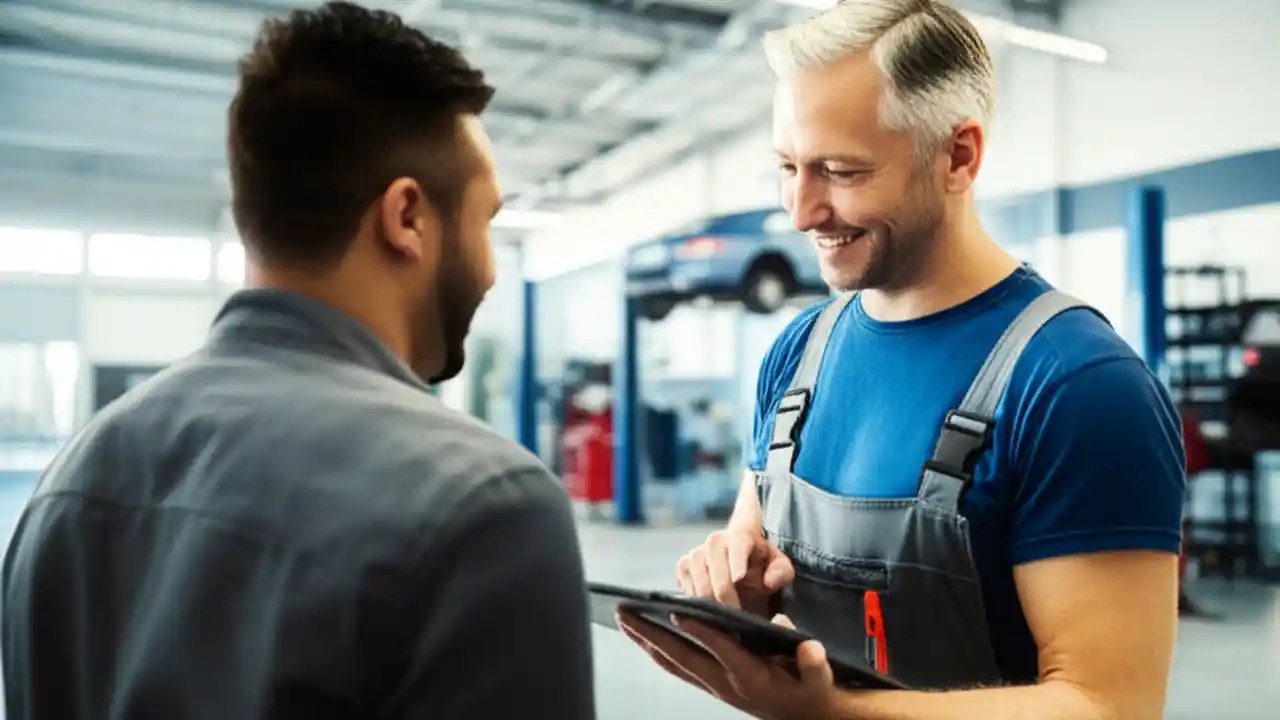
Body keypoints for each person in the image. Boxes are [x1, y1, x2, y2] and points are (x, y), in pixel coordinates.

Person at [1, 3, 593, 719]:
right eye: (486, 222)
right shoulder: (486, 509)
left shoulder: (72, 481)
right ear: (407, 216)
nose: (494, 271)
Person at [617, 1, 1185, 718]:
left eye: (841, 171)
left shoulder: (1078, 387)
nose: (801, 211)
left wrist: (836, 715)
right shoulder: (799, 355)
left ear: (958, 155)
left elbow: (1110, 705)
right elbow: (752, 529)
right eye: (788, 167)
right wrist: (740, 581)